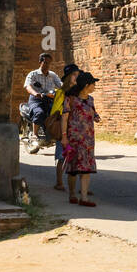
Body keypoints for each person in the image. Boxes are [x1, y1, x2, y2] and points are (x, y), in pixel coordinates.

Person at [61, 71, 100, 207]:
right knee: (73, 169)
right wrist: (64, 136)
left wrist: (96, 117)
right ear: (86, 85)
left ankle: (84, 198)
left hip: (88, 139)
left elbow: (93, 113)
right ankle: (72, 193)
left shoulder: (90, 100)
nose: (95, 86)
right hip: (74, 138)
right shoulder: (71, 99)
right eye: (93, 84)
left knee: (86, 168)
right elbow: (64, 118)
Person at [21, 53, 62, 149]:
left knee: (59, 114)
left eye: (49, 63)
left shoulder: (52, 75)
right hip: (36, 99)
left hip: (50, 99)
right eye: (45, 62)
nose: (47, 65)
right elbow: (28, 86)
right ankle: (35, 135)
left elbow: (60, 84)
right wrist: (35, 93)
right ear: (40, 62)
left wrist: (69, 87)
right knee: (39, 112)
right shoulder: (33, 74)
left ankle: (54, 133)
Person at [51, 63, 80, 191]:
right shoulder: (61, 92)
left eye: (77, 75)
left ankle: (81, 185)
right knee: (62, 157)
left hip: (75, 129)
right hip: (64, 128)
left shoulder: (79, 92)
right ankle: (59, 182)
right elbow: (57, 111)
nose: (76, 78)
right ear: (69, 77)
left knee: (76, 157)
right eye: (74, 75)